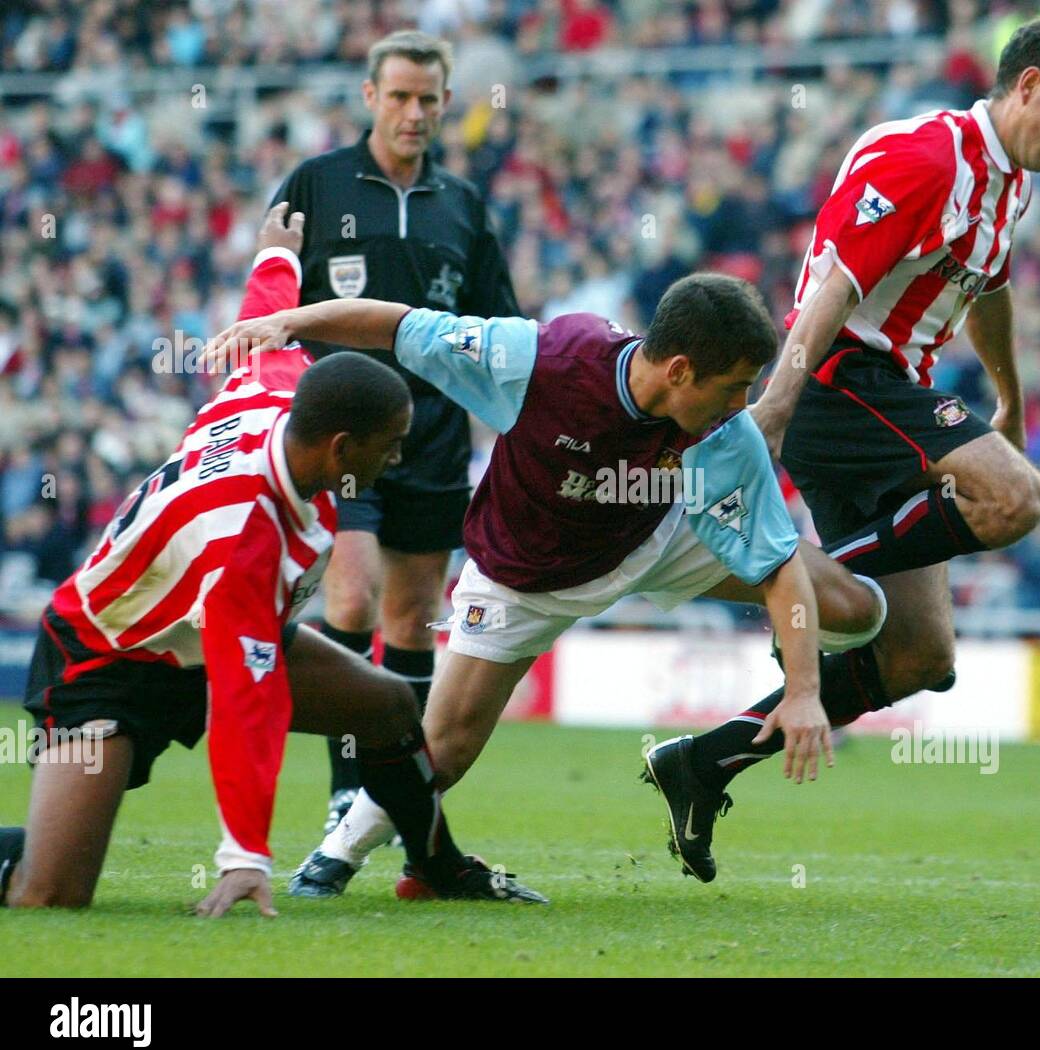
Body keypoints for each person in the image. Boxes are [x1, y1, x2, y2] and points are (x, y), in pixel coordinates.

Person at [203, 272, 888, 893]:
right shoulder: (540, 359)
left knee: (857, 610)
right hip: (525, 576)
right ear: (680, 369)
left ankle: (707, 754)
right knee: (442, 752)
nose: (747, 403)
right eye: (734, 385)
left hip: (658, 539)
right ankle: (333, 859)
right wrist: (291, 322)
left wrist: (802, 691)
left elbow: (775, 563)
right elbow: (398, 323)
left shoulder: (725, 435)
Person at [660, 15, 1040, 881]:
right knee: (1014, 499)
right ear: (1027, 85)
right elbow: (833, 283)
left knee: (921, 657)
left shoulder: (1010, 180)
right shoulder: (925, 156)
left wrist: (1011, 395)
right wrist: (779, 403)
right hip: (844, 379)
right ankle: (794, 586)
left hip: (887, 397)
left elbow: (987, 289)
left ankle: (704, 762)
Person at [0, 206, 544, 914]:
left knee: (383, 704)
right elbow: (244, 704)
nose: (397, 455)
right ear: (341, 448)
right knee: (50, 894)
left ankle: (439, 864)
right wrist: (246, 858)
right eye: (390, 442)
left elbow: (268, 318)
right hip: (108, 660)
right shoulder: (241, 539)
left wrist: (277, 254)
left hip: (200, 628)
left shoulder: (279, 386)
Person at [272, 30, 519, 834]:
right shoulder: (317, 183)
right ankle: (345, 786)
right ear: (371, 97)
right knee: (351, 590)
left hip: (436, 438)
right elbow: (271, 290)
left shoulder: (463, 205)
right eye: (400, 96)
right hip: (341, 440)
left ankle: (389, 790)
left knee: (412, 618)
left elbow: (501, 324)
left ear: (446, 104)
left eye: (428, 99)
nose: (414, 113)